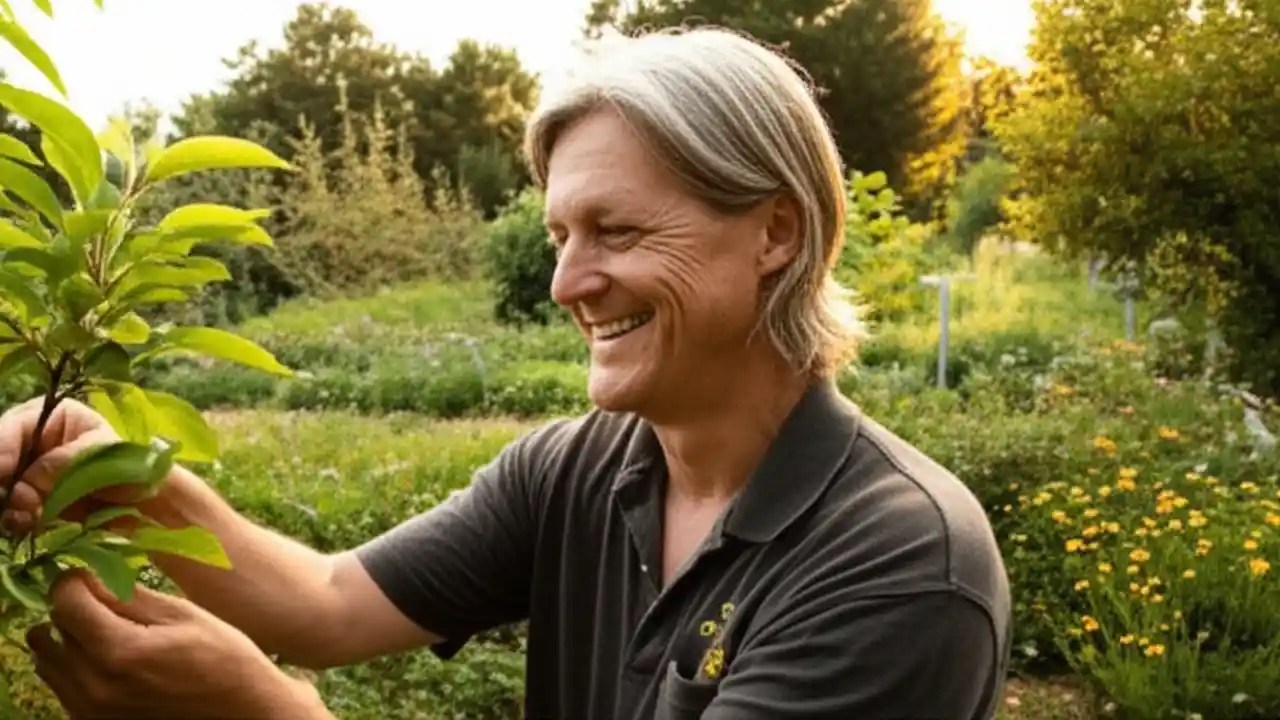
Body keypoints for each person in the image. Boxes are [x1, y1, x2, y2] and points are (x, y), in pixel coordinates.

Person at [0, 27, 1011, 720]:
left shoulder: (898, 565)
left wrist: (265, 713)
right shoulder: (575, 472)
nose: (569, 283)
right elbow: (328, 600)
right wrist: (126, 480)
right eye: (560, 235)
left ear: (775, 233)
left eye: (617, 230)